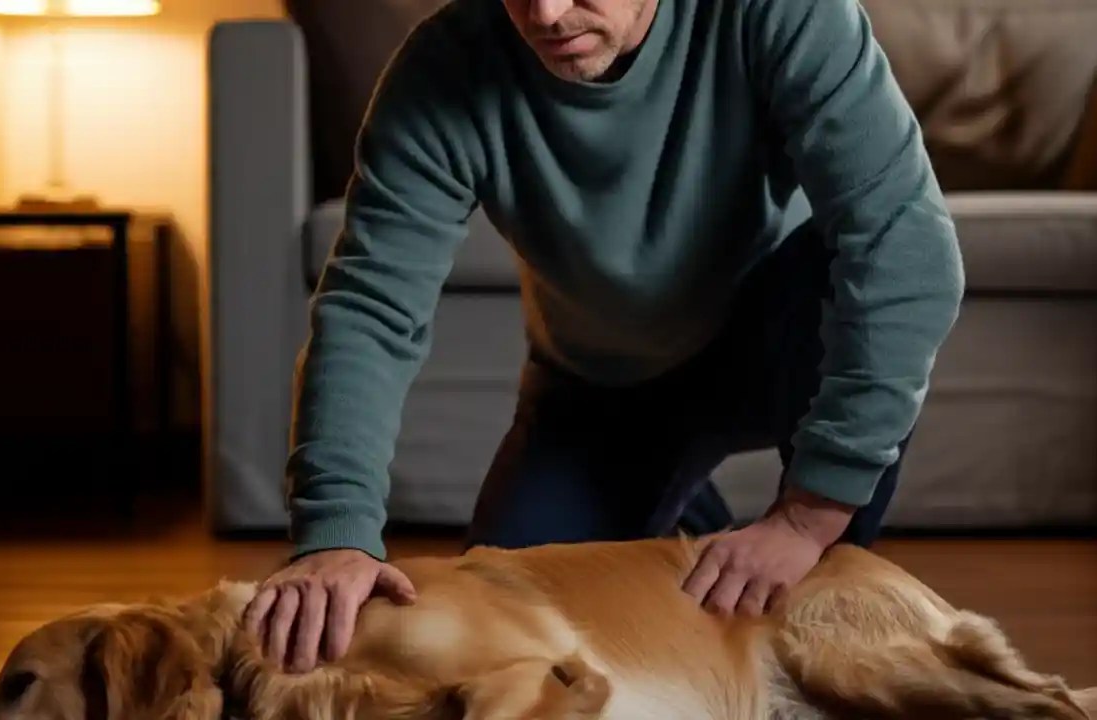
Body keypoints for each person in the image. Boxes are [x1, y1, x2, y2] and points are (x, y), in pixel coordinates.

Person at [243, 0, 964, 674]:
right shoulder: (443, 69)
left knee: (812, 626)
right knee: (511, 632)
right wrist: (335, 530)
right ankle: (676, 515)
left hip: (782, 338)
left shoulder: (781, 13)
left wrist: (808, 518)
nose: (547, 15)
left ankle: (810, 561)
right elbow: (371, 307)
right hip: (601, 388)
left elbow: (907, 247)